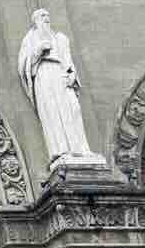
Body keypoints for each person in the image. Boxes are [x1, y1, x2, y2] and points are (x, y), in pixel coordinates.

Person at [17, 9, 93, 164]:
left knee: (73, 108)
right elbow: (23, 64)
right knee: (53, 111)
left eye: (47, 16)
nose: (46, 19)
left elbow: (68, 60)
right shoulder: (30, 38)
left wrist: (72, 75)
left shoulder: (60, 38)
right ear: (35, 20)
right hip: (44, 74)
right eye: (42, 16)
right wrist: (38, 51)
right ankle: (62, 150)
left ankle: (80, 148)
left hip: (61, 74)